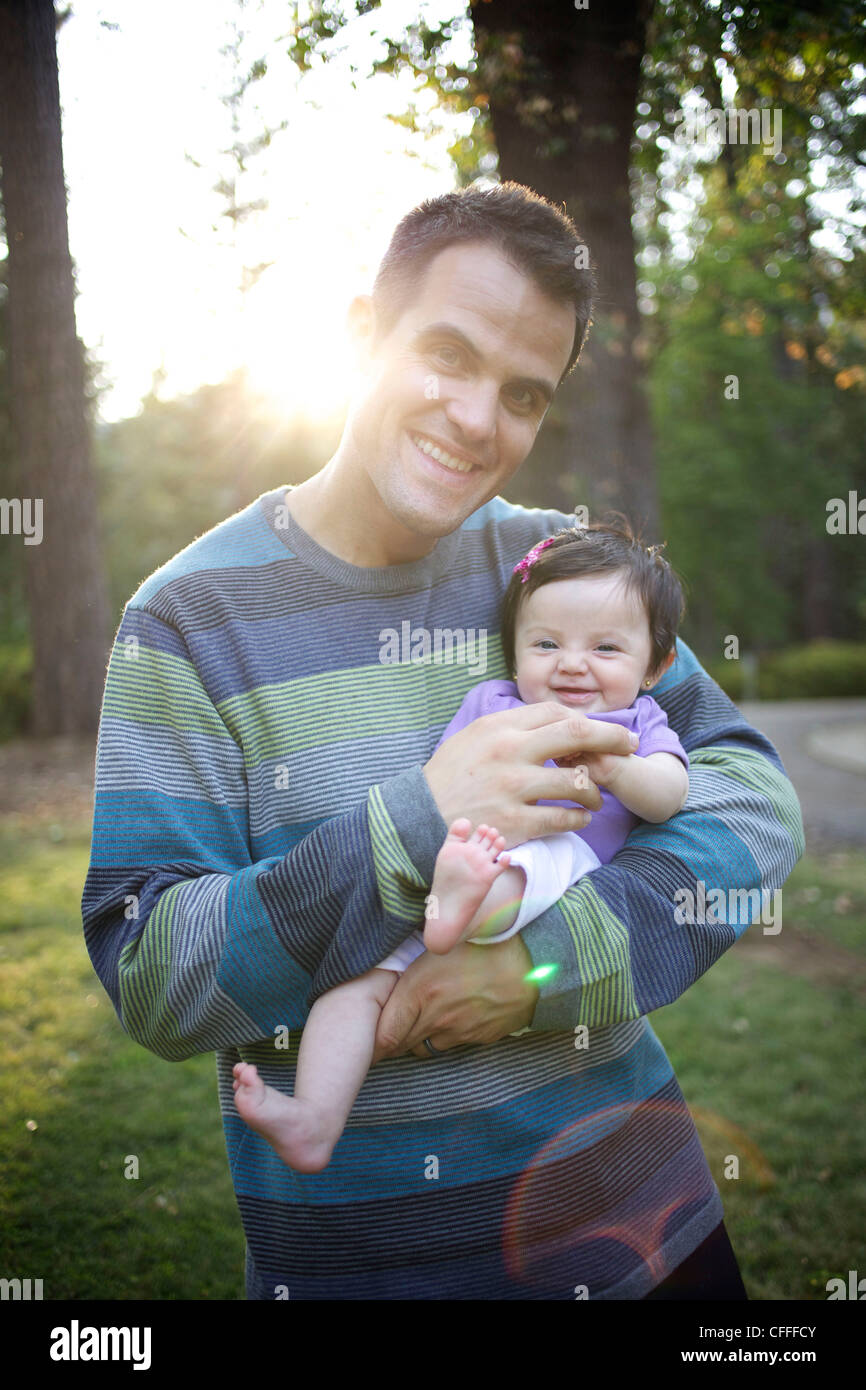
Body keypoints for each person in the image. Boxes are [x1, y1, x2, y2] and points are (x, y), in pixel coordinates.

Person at [82, 182, 804, 1300]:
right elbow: (155, 970)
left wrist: (530, 970)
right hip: (368, 1273)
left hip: (644, 1244)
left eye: (522, 393)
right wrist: (412, 822)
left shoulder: (559, 572)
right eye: (446, 355)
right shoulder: (184, 621)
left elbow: (750, 801)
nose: (477, 419)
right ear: (362, 333)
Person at [231, 522, 691, 1174]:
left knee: (531, 864)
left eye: (606, 647)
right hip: (459, 856)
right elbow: (445, 781)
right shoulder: (493, 702)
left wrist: (615, 768)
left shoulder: (639, 725)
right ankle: (312, 1121)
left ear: (657, 665)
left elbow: (669, 794)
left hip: (563, 852)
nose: (571, 662)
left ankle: (464, 905)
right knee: (354, 985)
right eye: (546, 643)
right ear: (513, 654)